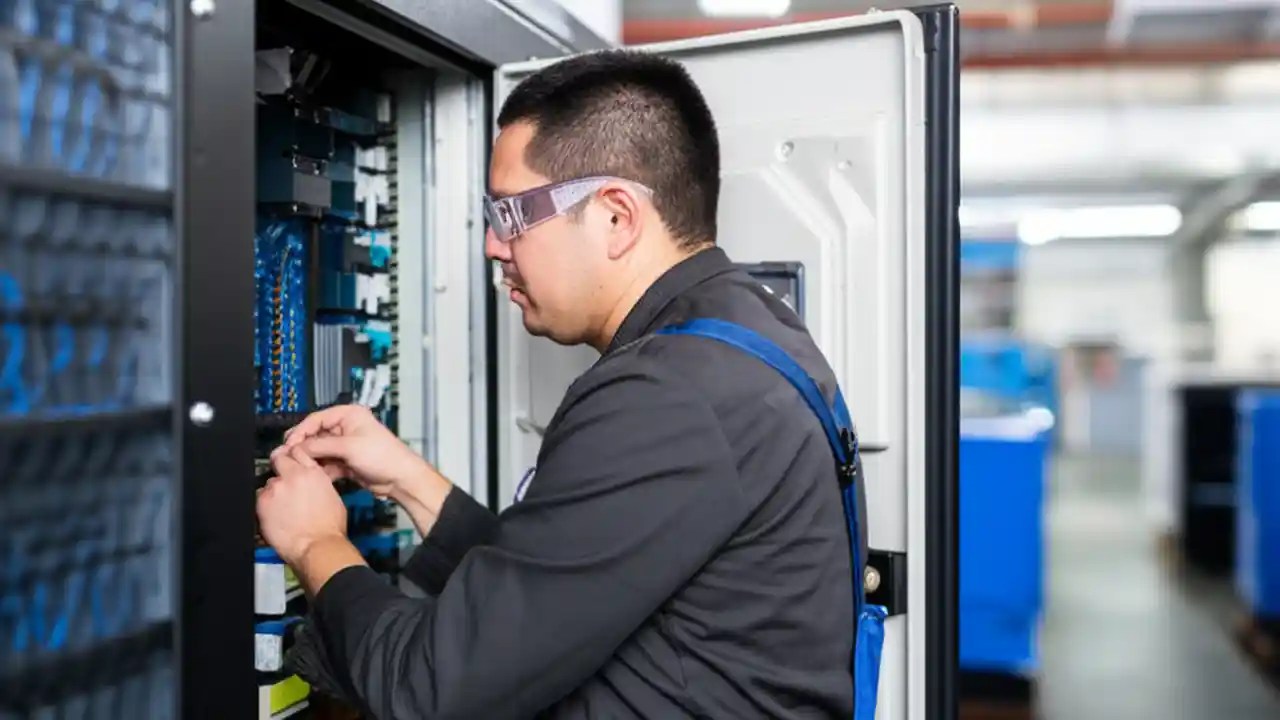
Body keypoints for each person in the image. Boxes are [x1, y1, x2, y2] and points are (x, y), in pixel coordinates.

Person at [257, 48, 863, 719]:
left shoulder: (668, 395)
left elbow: (433, 689)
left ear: (615, 216)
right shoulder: (746, 336)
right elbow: (563, 584)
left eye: (510, 216)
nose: (492, 245)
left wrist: (316, 543)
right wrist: (405, 480)